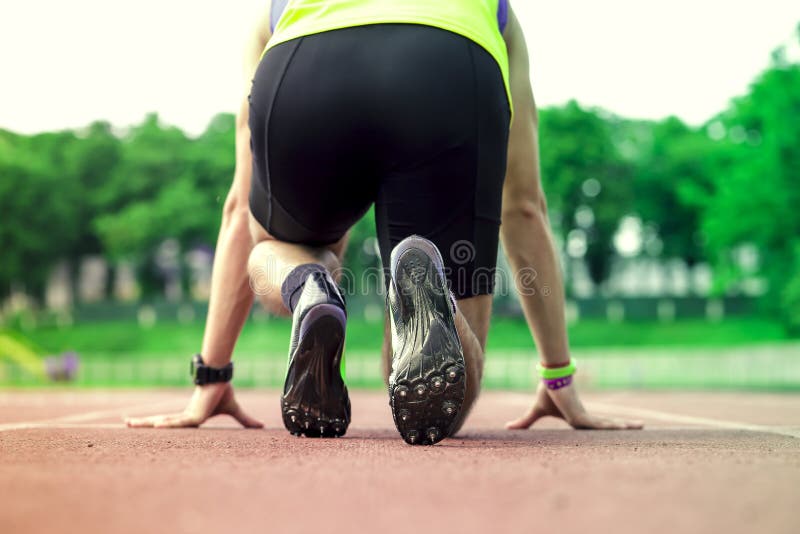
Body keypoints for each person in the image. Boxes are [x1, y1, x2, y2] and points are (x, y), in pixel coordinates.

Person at [127, 0, 643, 439]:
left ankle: (305, 282)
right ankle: (421, 285)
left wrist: (211, 375)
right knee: (445, 400)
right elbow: (525, 204)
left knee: (271, 251)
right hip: (447, 67)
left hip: (305, 64)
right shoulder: (497, 9)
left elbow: (239, 207)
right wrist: (558, 375)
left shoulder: (275, 8)